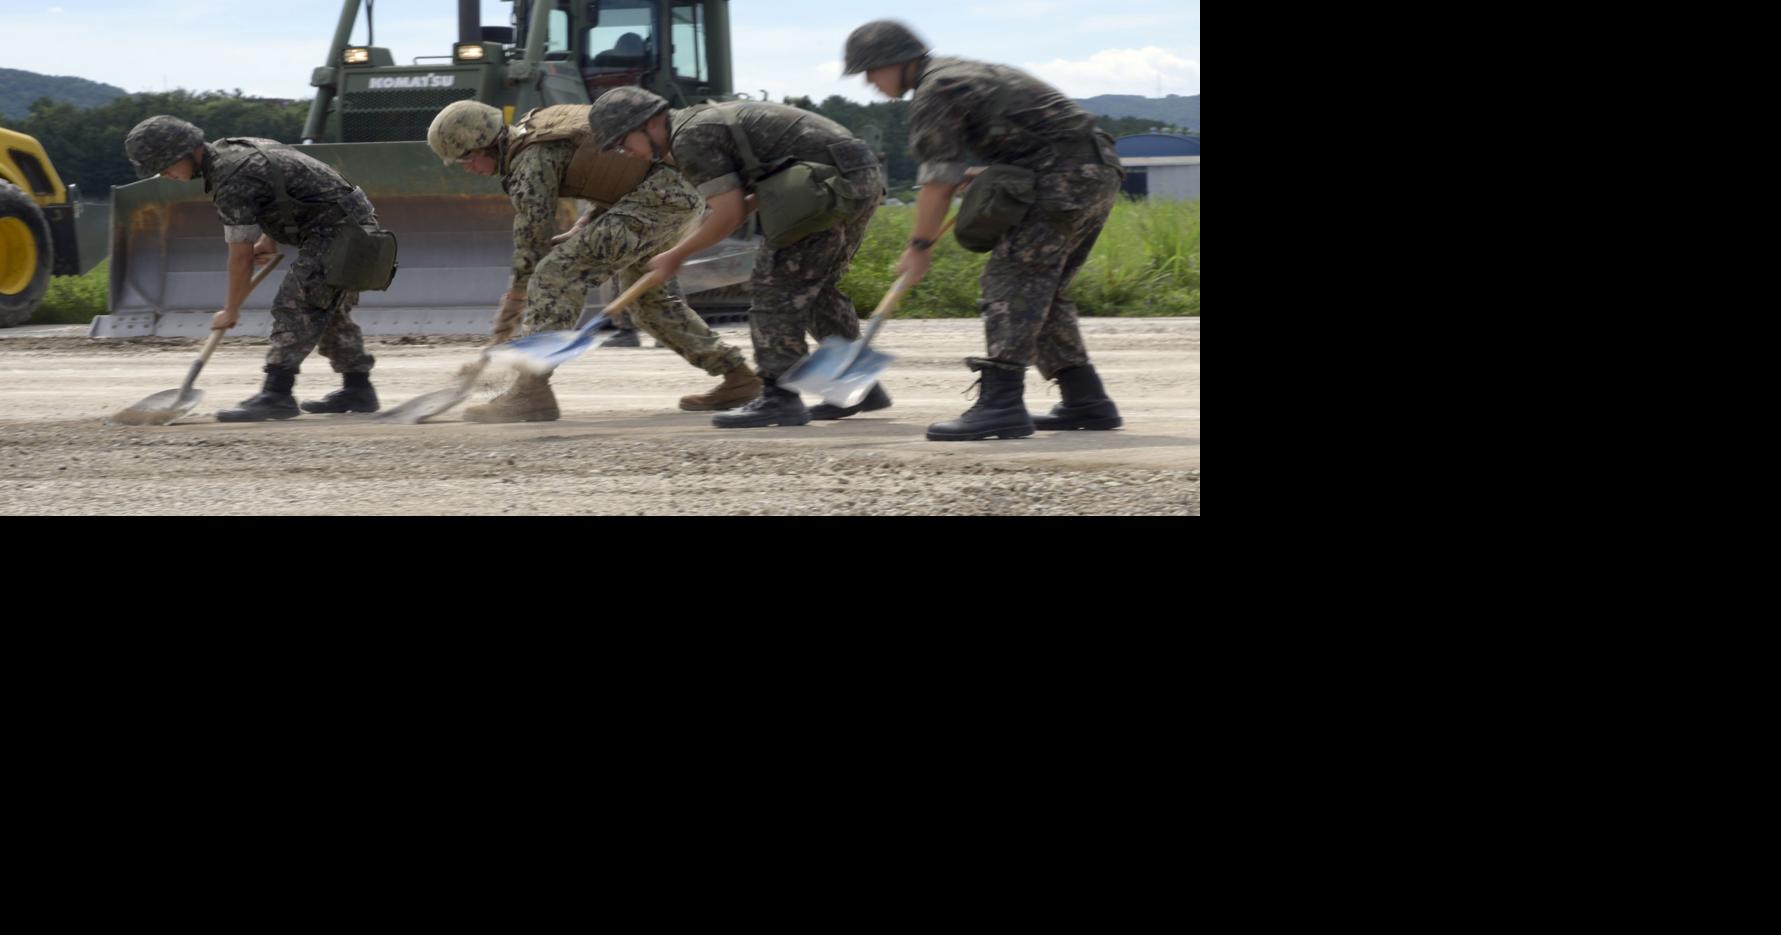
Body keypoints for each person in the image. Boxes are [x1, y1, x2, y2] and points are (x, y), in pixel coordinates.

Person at [844, 20, 1127, 440]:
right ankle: (1085, 399)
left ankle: (1001, 405)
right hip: (1095, 169)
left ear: (897, 61)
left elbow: (938, 181)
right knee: (1041, 291)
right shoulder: (961, 72)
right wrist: (989, 172)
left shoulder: (935, 89)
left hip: (1061, 177)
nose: (869, 81)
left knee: (1010, 284)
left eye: (870, 70)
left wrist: (919, 246)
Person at [425, 100, 759, 421]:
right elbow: (614, 169)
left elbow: (532, 237)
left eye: (465, 158)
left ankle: (531, 392)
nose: (466, 167)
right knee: (649, 303)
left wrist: (516, 296)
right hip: (672, 193)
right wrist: (585, 224)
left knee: (555, 274)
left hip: (660, 199)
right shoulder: (538, 127)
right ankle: (738, 377)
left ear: (485, 144)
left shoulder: (528, 161)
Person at [588, 87, 887, 428]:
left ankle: (779, 398)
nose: (626, 152)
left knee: (775, 290)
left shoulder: (689, 139)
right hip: (854, 177)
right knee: (815, 290)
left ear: (651, 123)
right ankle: (859, 386)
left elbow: (729, 215)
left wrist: (676, 256)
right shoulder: (701, 123)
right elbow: (754, 193)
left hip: (824, 182)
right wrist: (693, 236)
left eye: (623, 142)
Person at [123, 115, 383, 421]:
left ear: (189, 150)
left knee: (295, 305)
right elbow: (283, 192)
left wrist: (230, 309)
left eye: (167, 166)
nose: (166, 175)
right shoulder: (236, 151)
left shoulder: (231, 178)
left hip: (342, 235)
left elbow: (241, 257)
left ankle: (277, 394)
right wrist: (268, 239)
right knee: (328, 311)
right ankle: (358, 389)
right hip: (356, 229)